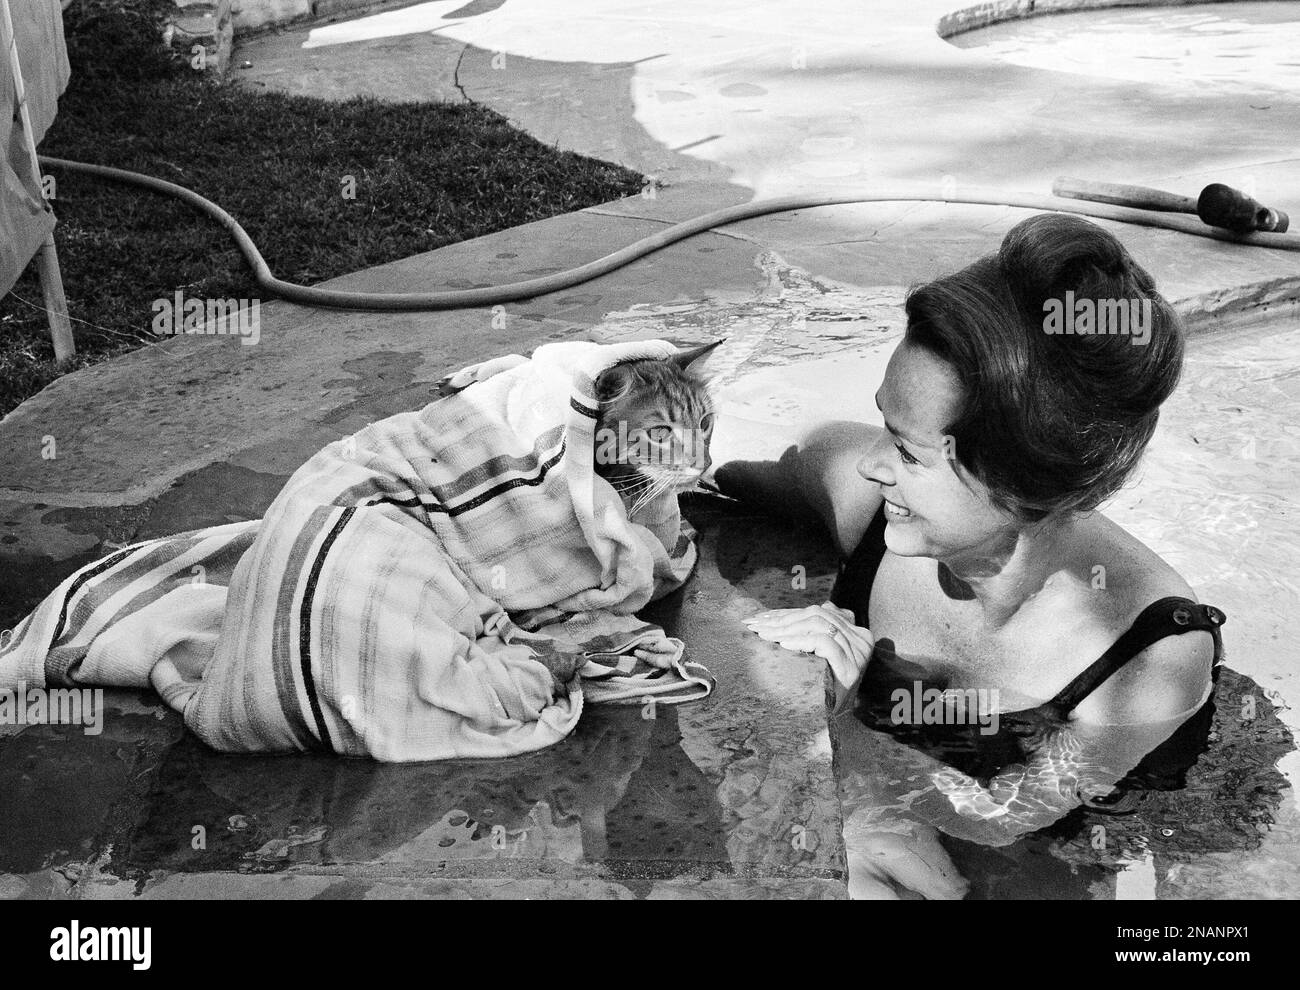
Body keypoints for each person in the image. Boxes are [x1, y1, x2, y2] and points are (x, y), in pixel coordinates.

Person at [713, 214, 1226, 898]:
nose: (871, 463)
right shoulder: (869, 507)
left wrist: (850, 706)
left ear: (1016, 484)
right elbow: (714, 463)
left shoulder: (1147, 656)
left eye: (907, 450)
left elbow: (998, 822)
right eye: (885, 425)